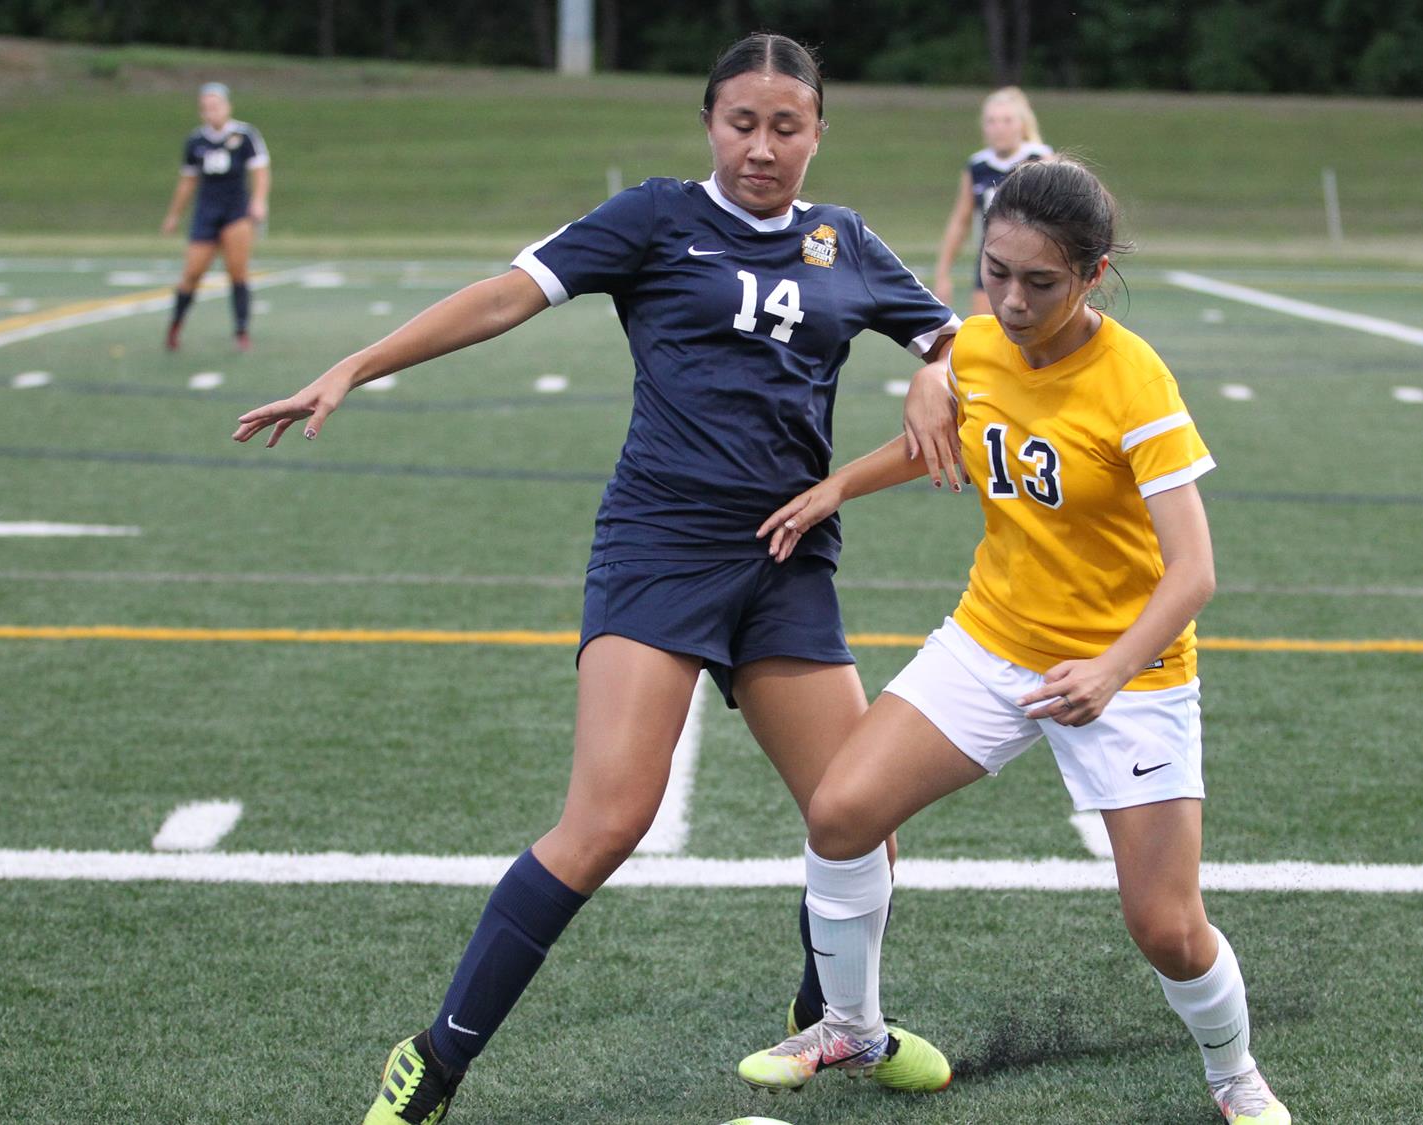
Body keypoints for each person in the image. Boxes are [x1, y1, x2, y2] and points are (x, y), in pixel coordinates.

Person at [231, 33, 963, 1124]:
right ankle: (431, 1061)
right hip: (661, 545)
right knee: (606, 820)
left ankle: (832, 1030)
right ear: (708, 123)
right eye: (741, 123)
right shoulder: (653, 217)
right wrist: (352, 365)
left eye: (787, 126)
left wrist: (941, 369)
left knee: (857, 819)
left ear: (818, 132)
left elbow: (965, 342)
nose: (762, 146)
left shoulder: (841, 240)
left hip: (785, 558)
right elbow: (500, 299)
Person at [736, 158, 1290, 1125]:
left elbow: (1195, 569)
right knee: (841, 813)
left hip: (1132, 670)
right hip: (992, 640)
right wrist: (839, 484)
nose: (1012, 299)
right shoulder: (980, 346)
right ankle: (853, 1025)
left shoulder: (1134, 378)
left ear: (1093, 274)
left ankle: (1235, 1074)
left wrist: (1112, 669)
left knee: (1165, 926)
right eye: (995, 273)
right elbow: (943, 440)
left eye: (1041, 282)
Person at [161, 82, 269, 352]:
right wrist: (174, 215)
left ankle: (241, 331)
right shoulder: (196, 141)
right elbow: (187, 182)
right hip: (206, 213)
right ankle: (175, 326)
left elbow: (260, 171)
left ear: (227, 106)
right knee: (192, 272)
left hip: (235, 211)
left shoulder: (245, 136)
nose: (212, 112)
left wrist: (258, 201)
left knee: (238, 271)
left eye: (216, 106)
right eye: (206, 108)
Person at [933, 87, 1053, 316]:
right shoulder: (978, 167)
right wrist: (943, 273)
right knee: (986, 336)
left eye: (1007, 120)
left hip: (1033, 261)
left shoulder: (1041, 160)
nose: (999, 128)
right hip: (993, 261)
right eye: (992, 121)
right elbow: (961, 220)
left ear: (1022, 124)